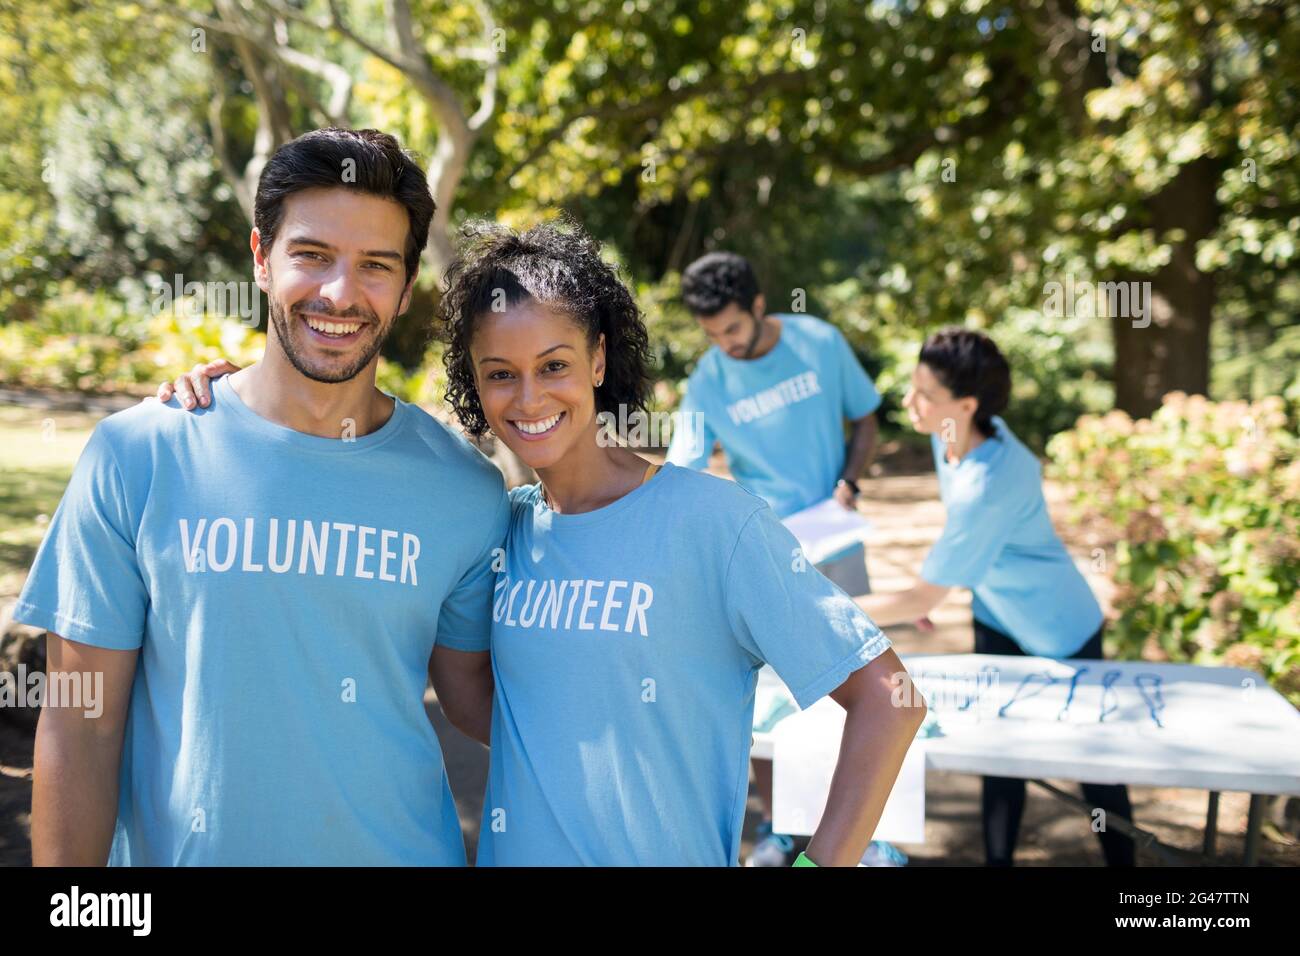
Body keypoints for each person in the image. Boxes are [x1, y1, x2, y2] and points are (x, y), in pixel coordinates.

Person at [162, 217, 928, 866]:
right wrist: (244, 396)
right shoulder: (498, 527)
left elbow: (889, 701)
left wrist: (815, 866)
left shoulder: (716, 524)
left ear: (598, 359)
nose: (528, 399)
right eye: (500, 374)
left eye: (554, 365)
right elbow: (486, 701)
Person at [15, 128, 510, 865]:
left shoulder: (466, 489)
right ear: (260, 259)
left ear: (407, 288)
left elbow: (490, 705)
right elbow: (80, 722)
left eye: (376, 265)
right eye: (311, 255)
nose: (340, 293)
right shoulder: (140, 454)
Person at [855, 327, 1136, 867]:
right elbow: (952, 559)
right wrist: (957, 574)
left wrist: (831, 608)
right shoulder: (957, 433)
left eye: (925, 396)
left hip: (1060, 626)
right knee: (1000, 755)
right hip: (997, 615)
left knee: (1095, 768)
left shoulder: (991, 480)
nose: (910, 403)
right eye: (912, 387)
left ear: (966, 405)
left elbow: (920, 601)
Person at [664, 251, 884, 863]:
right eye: (711, 335)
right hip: (759, 552)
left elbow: (865, 417)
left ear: (759, 307)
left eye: (732, 329)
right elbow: (686, 465)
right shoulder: (709, 376)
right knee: (765, 696)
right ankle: (779, 827)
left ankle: (863, 833)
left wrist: (850, 481)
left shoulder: (820, 342)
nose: (724, 344)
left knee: (854, 686)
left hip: (834, 539)